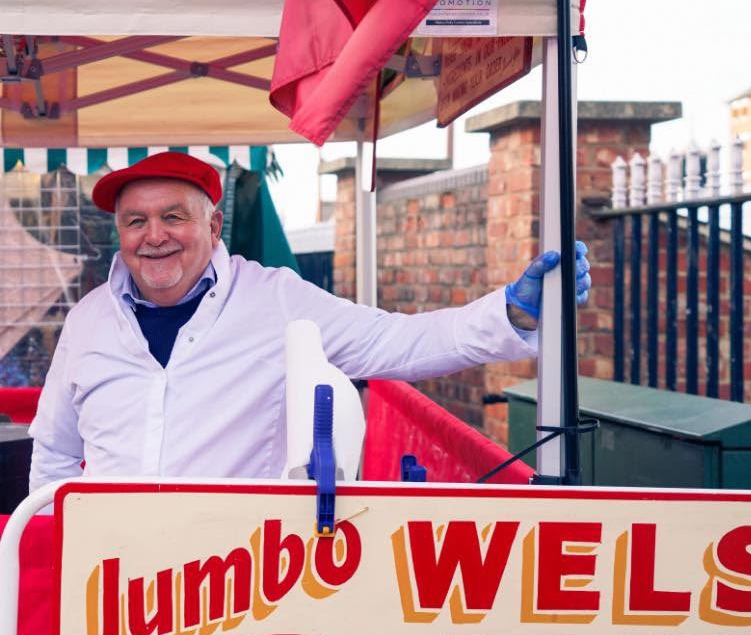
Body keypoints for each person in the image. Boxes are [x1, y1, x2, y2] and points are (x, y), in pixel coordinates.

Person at [29, 152, 591, 490]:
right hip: (106, 574)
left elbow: (395, 341)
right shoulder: (87, 321)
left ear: (215, 225)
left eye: (173, 217)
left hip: (226, 581)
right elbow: (54, 451)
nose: (153, 236)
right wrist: (54, 549)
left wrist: (510, 312)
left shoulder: (273, 299)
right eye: (135, 222)